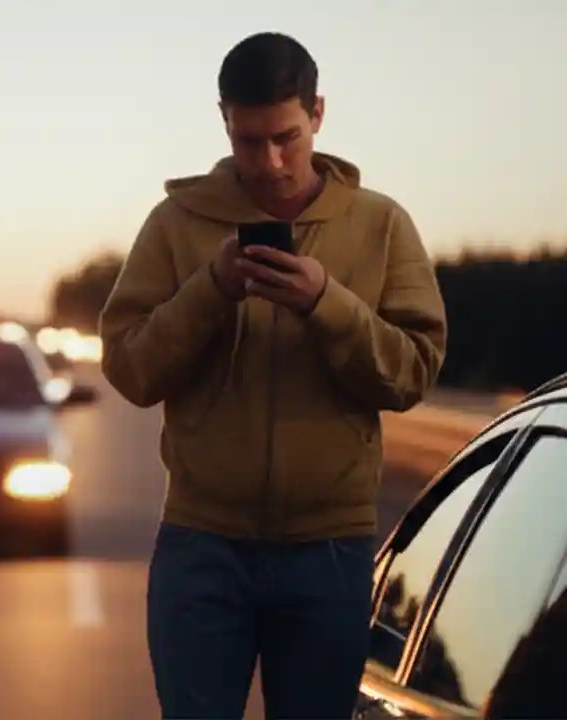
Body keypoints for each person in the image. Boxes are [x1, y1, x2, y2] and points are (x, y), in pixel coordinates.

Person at [98, 31, 448, 719]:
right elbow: (131, 370)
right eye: (249, 140)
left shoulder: (379, 226)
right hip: (202, 544)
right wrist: (211, 289)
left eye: (286, 136)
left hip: (331, 550)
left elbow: (413, 372)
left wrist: (325, 301)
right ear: (224, 119)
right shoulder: (176, 224)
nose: (271, 160)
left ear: (317, 113)